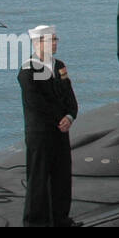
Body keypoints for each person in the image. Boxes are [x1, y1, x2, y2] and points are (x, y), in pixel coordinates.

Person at [17, 24, 78, 226]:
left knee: (62, 175)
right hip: (41, 132)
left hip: (60, 129)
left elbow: (69, 94)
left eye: (55, 39)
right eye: (50, 40)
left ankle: (60, 217)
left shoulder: (59, 65)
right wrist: (58, 119)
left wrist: (70, 115)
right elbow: (36, 103)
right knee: (38, 178)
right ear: (37, 43)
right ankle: (35, 221)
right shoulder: (28, 70)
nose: (54, 43)